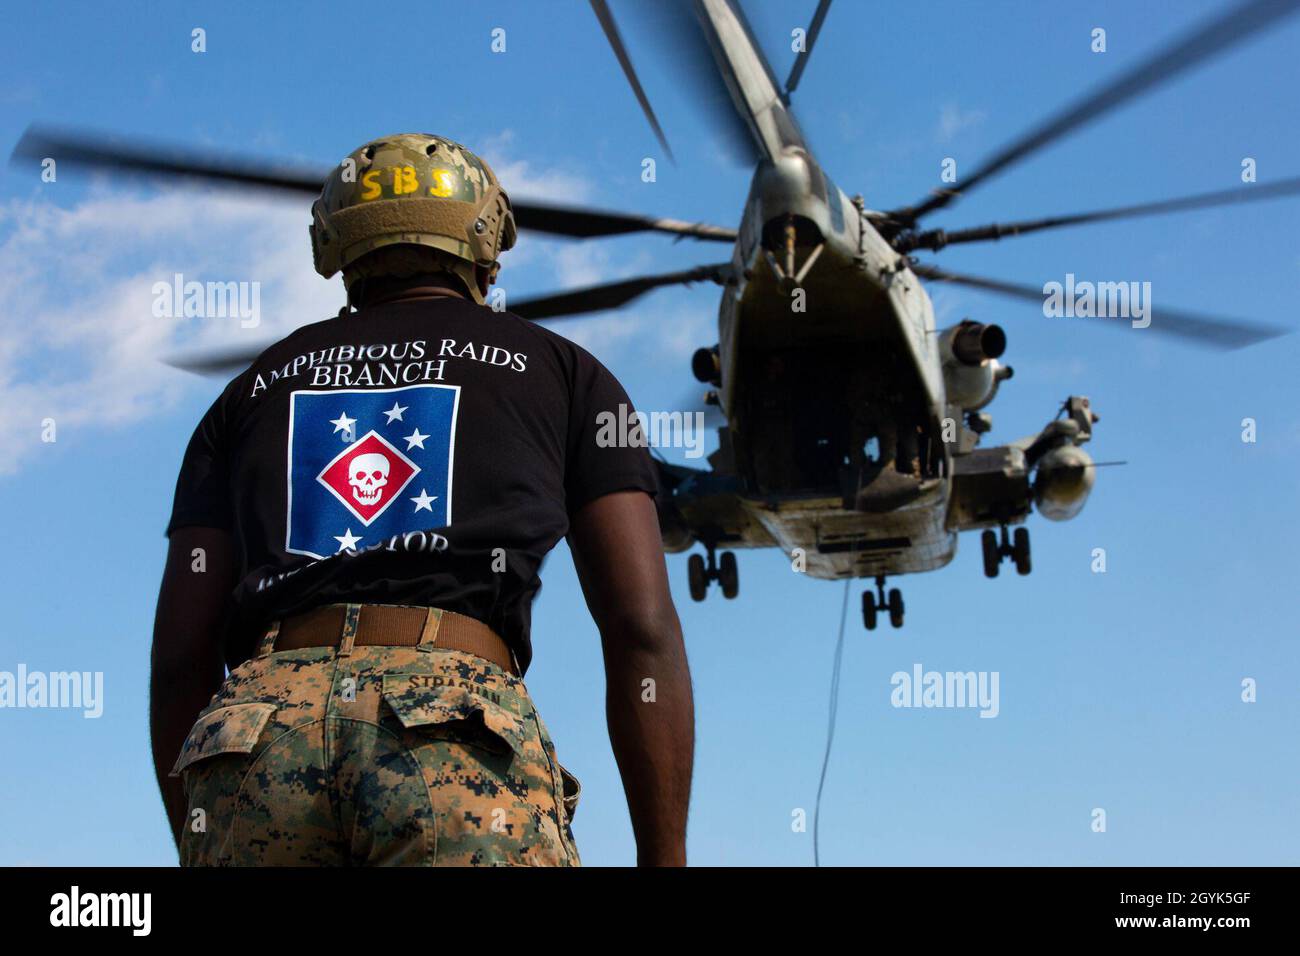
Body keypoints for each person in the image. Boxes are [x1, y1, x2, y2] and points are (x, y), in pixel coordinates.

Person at [149, 133, 694, 866]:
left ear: (336, 246)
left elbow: (181, 660)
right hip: (451, 731)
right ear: (484, 240)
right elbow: (641, 627)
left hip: (255, 739)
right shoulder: (568, 374)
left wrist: (207, 828)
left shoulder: (249, 391)